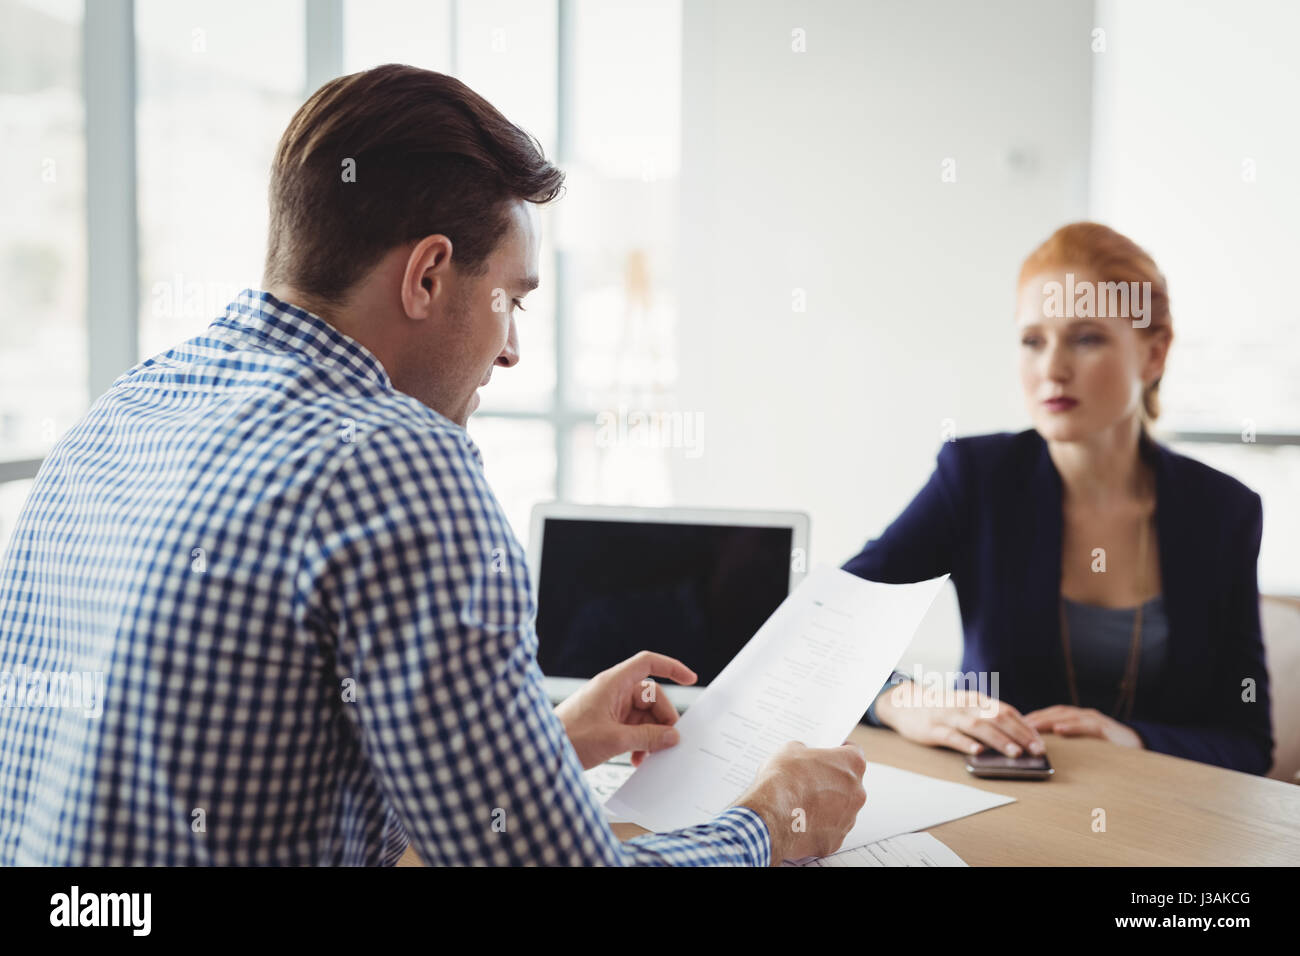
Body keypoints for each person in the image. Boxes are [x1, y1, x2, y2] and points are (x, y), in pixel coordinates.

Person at [0, 64, 865, 866]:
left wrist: (543, 741)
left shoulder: (124, 411)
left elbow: (248, 768)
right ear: (427, 277)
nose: (513, 350)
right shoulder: (397, 459)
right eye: (511, 301)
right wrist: (771, 819)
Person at [845, 222, 1274, 776]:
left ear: (1154, 354)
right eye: (1033, 341)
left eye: (1086, 338)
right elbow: (827, 631)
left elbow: (1247, 742)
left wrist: (1133, 739)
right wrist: (899, 700)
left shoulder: (1223, 511)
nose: (1051, 369)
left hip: (1160, 826)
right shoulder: (977, 477)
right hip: (996, 809)